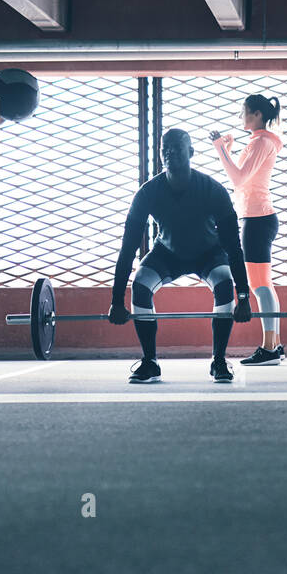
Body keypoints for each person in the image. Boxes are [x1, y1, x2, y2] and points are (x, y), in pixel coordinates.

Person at [110, 129, 252, 384]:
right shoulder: (147, 192)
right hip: (167, 254)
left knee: (223, 283)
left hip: (209, 254)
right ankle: (150, 362)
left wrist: (242, 296)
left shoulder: (213, 190)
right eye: (165, 148)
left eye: (176, 147)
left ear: (191, 152)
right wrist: (116, 300)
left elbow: (233, 245)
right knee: (140, 285)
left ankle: (218, 361)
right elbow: (128, 246)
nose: (170, 152)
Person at [210, 95, 285, 366]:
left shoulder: (261, 142)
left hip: (256, 220)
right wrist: (227, 150)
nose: (241, 117)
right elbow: (241, 179)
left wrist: (220, 149)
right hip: (258, 217)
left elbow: (238, 178)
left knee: (259, 285)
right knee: (264, 285)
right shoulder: (261, 141)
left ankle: (269, 349)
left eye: (243, 112)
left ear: (255, 115)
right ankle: (274, 345)